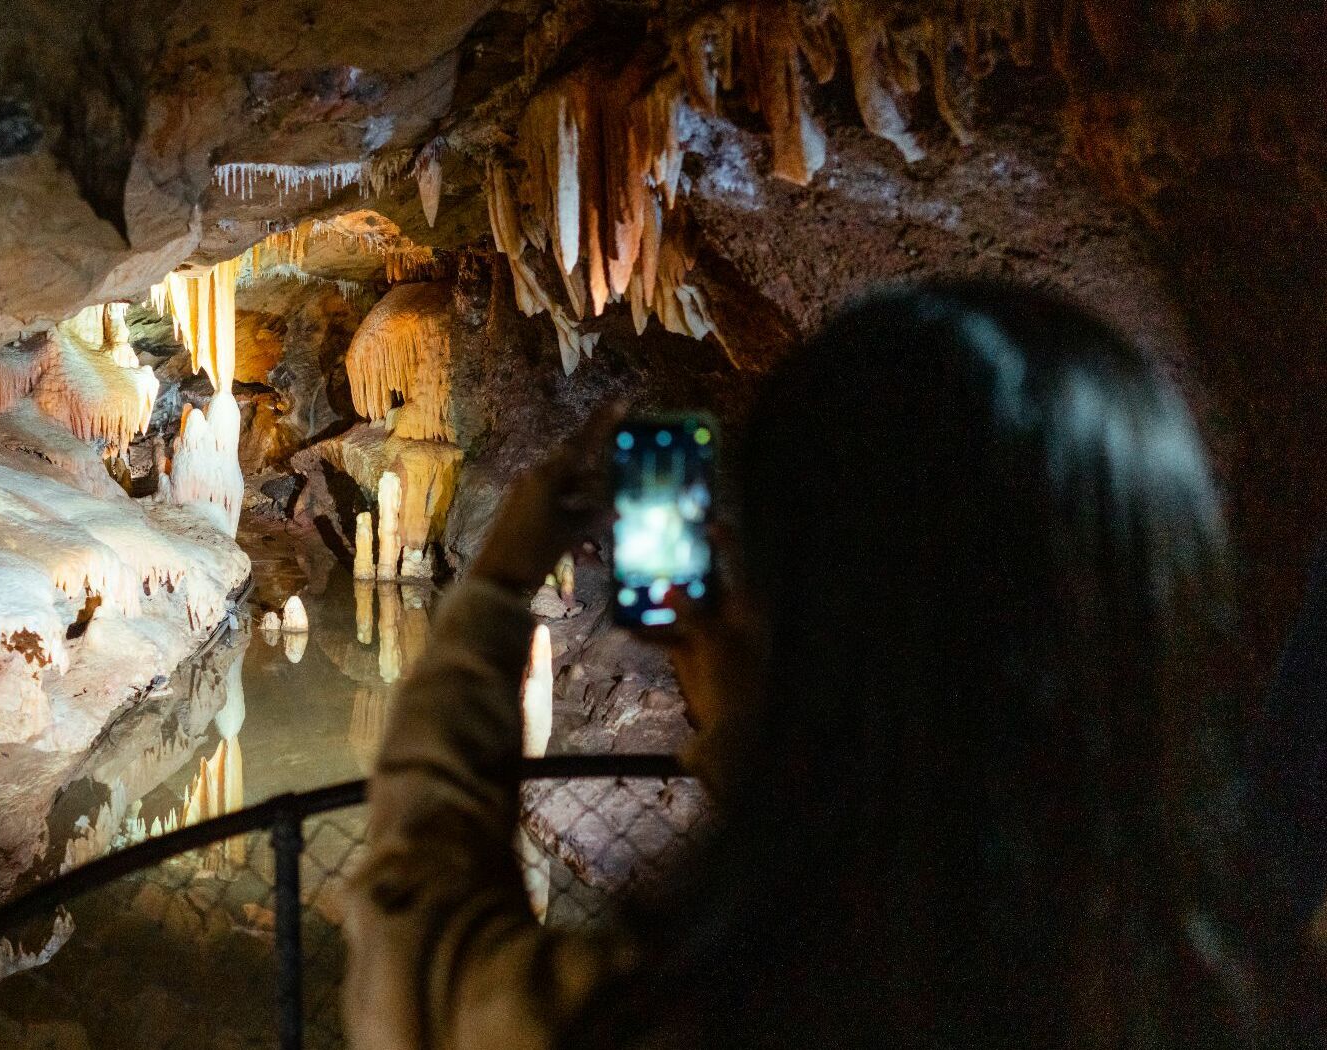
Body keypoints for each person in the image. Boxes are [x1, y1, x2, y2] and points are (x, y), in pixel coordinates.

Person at [342, 280, 1295, 1049]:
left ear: (781, 614)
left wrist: (501, 582)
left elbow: (417, 945)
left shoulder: (686, 1009)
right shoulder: (1246, 989)